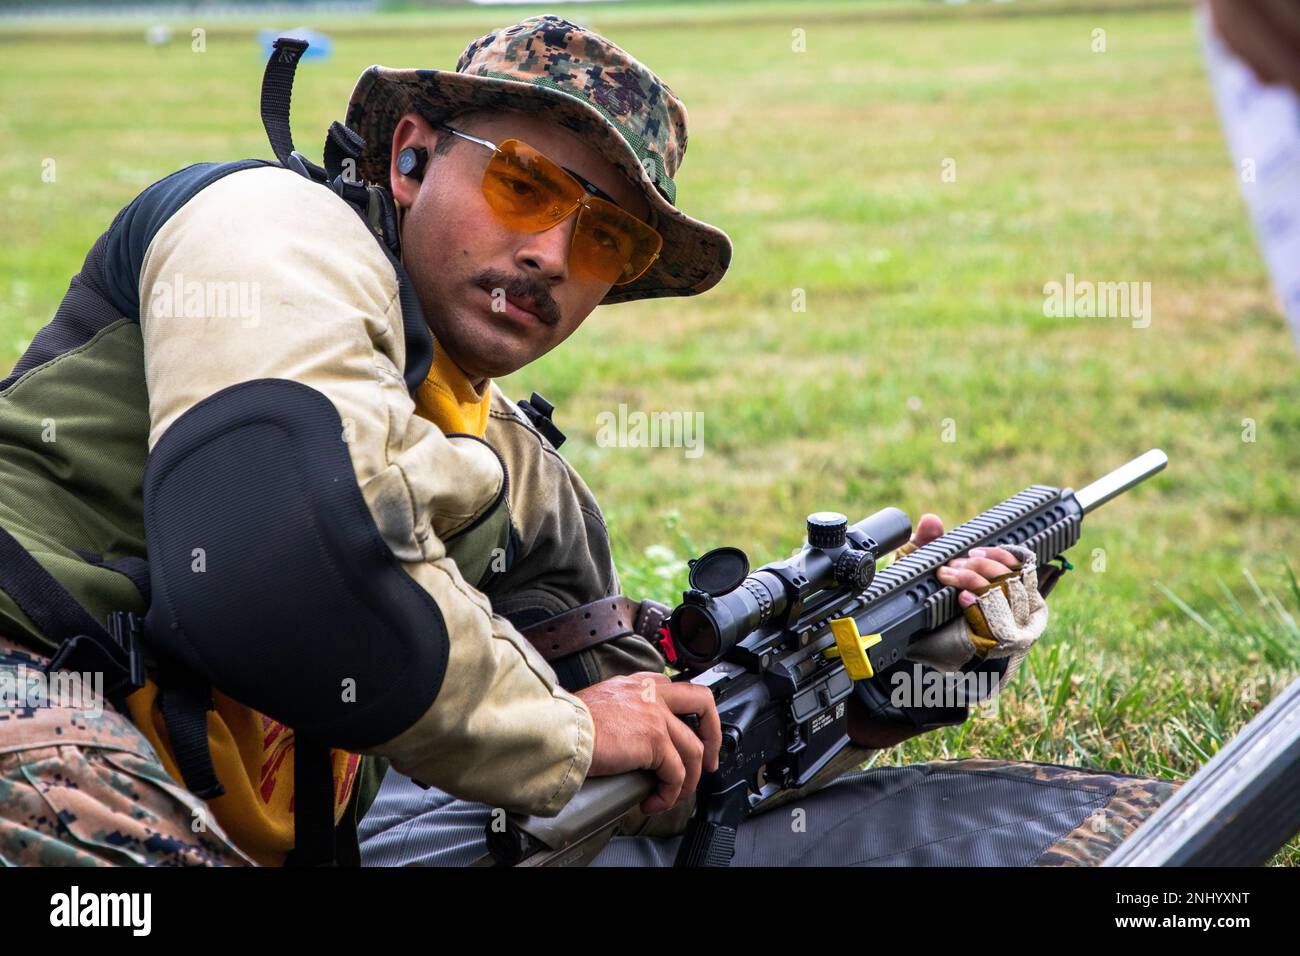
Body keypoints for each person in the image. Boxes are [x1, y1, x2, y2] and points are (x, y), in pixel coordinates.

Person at [0, 15, 1166, 868]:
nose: (553, 254)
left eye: (604, 236)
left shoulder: (503, 462)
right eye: (521, 186)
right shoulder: (271, 228)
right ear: (408, 156)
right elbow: (274, 567)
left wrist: (887, 666)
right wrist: (564, 730)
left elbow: (652, 745)